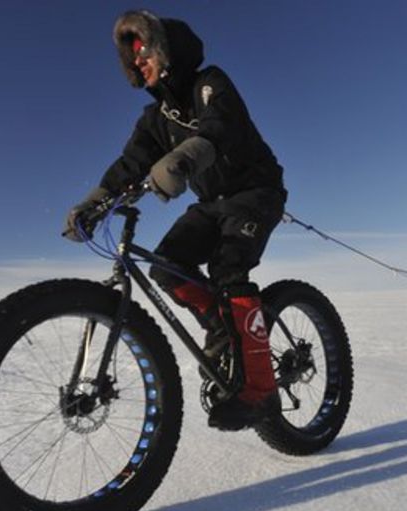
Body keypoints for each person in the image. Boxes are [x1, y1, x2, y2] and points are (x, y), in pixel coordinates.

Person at [63, 10, 287, 431]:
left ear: (166, 51)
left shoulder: (210, 84)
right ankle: (222, 326)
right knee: (166, 265)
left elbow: (222, 128)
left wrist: (182, 159)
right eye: (133, 62)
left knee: (228, 269)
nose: (138, 65)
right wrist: (94, 202)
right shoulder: (155, 120)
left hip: (256, 192)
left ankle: (261, 392)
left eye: (144, 54)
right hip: (212, 203)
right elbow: (130, 163)